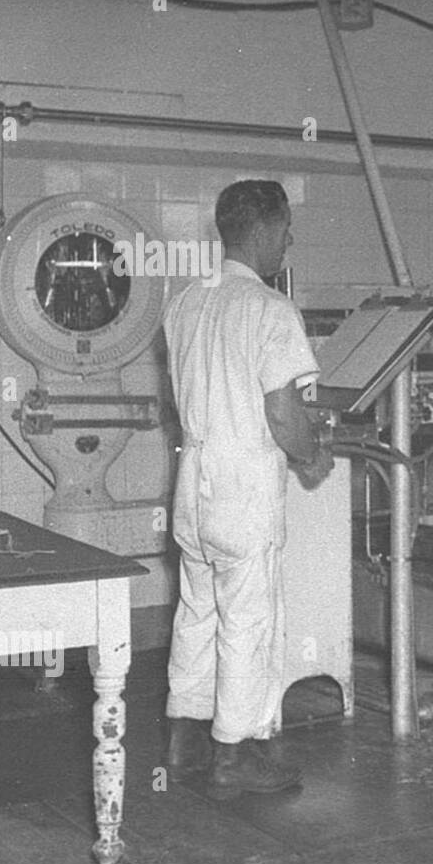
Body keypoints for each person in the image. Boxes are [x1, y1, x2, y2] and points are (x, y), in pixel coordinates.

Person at [162, 180, 333, 796]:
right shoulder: (269, 309)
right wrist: (314, 456)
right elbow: (284, 414)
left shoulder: (185, 303)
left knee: (198, 610)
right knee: (248, 622)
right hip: (243, 490)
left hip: (194, 485)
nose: (288, 241)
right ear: (262, 230)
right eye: (285, 229)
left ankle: (183, 740)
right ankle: (233, 758)